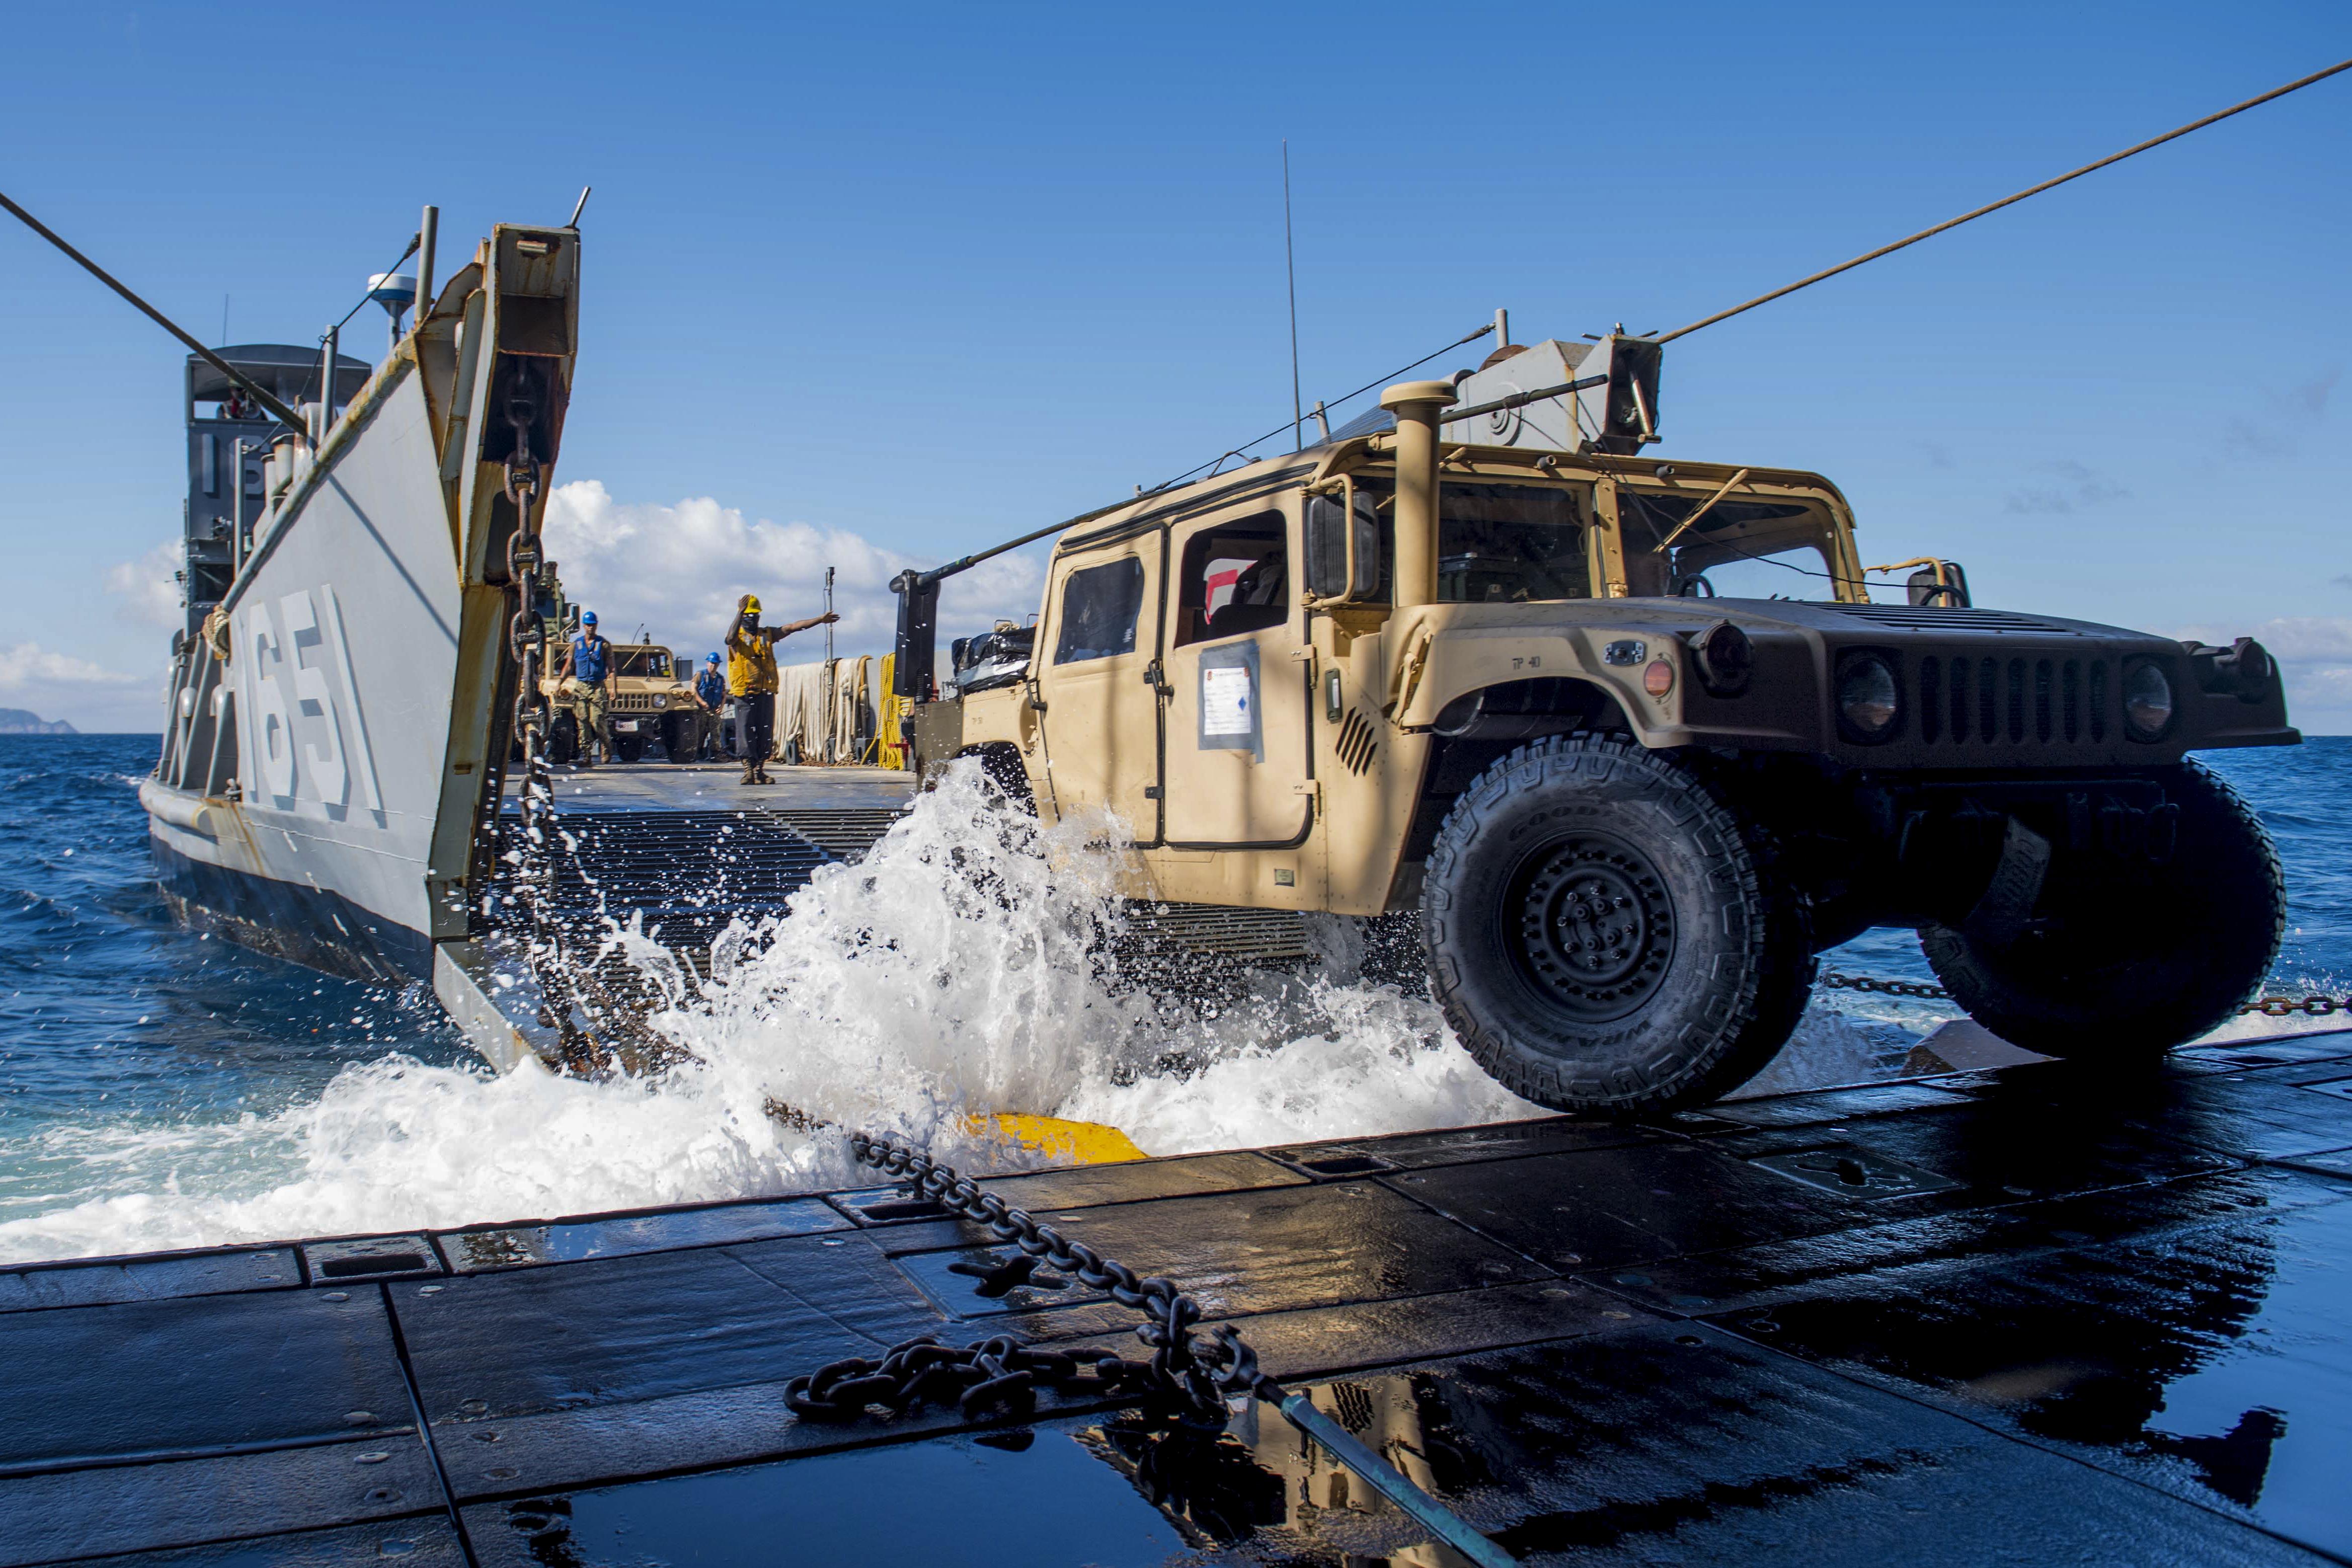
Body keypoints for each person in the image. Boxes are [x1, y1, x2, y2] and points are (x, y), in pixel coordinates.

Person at [726, 593, 836, 785]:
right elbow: (728, 639)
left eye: (755, 615)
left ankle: (759, 769)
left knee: (764, 732)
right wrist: (739, 612)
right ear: (743, 617)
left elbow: (793, 627)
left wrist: (820, 620)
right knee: (745, 732)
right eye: (749, 616)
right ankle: (748, 770)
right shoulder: (737, 638)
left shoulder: (767, 635)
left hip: (766, 691)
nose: (753, 619)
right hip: (744, 692)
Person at [557, 610, 615, 766]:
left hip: (597, 687)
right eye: (588, 625)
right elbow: (569, 666)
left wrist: (614, 688)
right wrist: (560, 682)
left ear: (596, 626)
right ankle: (587, 755)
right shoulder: (576, 645)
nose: (591, 628)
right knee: (582, 721)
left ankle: (606, 746)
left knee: (597, 720)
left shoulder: (603, 645)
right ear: (584, 626)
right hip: (581, 686)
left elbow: (611, 669)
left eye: (593, 625)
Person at [693, 652, 728, 760]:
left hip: (714, 711)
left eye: (716, 664)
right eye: (712, 663)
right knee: (699, 732)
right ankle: (696, 753)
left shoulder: (720, 679)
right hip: (701, 710)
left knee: (716, 732)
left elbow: (724, 695)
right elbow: (693, 690)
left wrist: (721, 707)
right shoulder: (700, 675)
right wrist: (702, 702)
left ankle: (715, 754)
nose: (713, 666)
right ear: (708, 663)